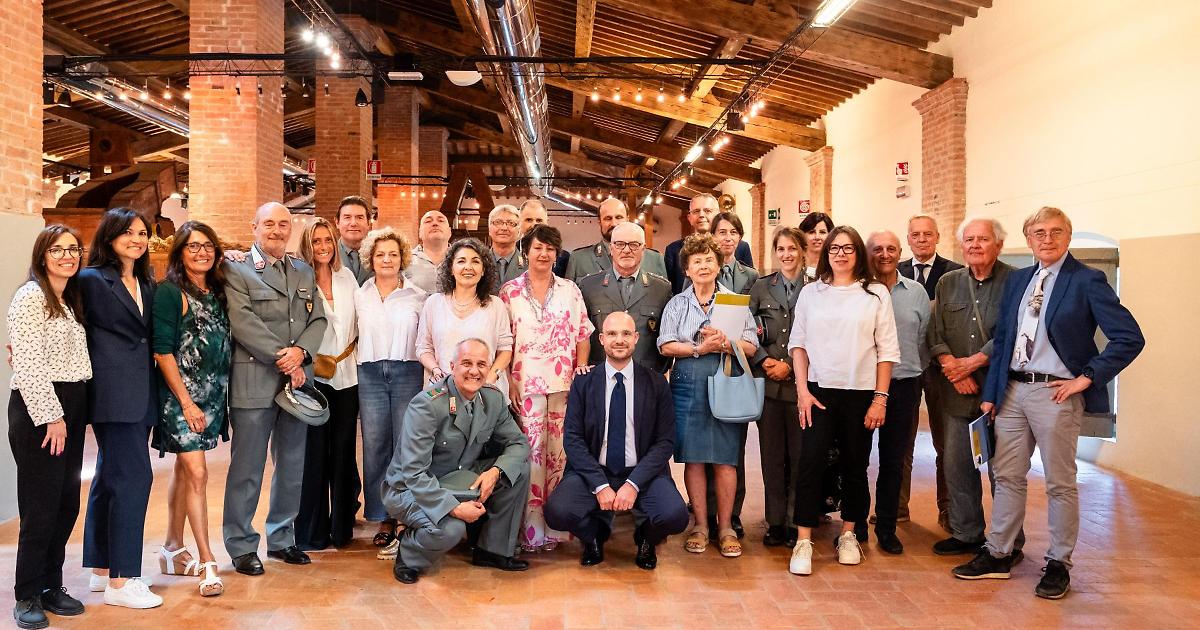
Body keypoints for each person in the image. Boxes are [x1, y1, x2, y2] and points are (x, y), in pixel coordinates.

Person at [953, 207, 1144, 600]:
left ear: (1068, 236)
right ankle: (999, 553)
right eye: (1038, 232)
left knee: (1059, 482)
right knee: (1007, 476)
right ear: (1028, 239)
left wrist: (1086, 378)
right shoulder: (1019, 279)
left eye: (1056, 232)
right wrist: (991, 395)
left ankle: (1058, 563)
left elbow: (1129, 337)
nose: (1047, 239)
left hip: (1055, 393)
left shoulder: (1087, 280)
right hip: (1012, 392)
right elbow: (1004, 340)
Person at [787, 226, 900, 575]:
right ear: (826, 253)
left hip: (861, 392)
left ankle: (849, 534)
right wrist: (802, 391)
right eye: (834, 248)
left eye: (848, 248)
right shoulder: (811, 293)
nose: (840, 254)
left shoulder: (876, 294)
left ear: (858, 253)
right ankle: (803, 540)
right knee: (810, 463)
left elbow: (887, 350)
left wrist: (880, 398)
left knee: (855, 465)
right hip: (818, 391)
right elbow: (798, 344)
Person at [222, 202, 327, 577]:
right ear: (254, 227)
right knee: (247, 468)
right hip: (255, 381)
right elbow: (242, 321)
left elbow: (317, 319)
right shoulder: (236, 269)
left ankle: (282, 538)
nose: (277, 230)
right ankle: (241, 544)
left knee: (292, 466)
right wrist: (286, 358)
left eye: (283, 224)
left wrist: (302, 354)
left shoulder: (302, 270)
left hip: (296, 385)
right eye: (269, 223)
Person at [545, 312, 689, 570]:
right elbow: (574, 439)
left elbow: (665, 442)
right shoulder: (584, 382)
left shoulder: (656, 383)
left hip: (641, 472)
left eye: (625, 334)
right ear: (601, 339)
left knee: (675, 516)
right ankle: (594, 535)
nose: (619, 340)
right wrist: (600, 485)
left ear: (636, 338)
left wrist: (633, 484)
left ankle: (646, 539)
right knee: (557, 512)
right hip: (595, 471)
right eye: (612, 334)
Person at [383, 339, 531, 584]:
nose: (474, 371)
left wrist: (495, 471)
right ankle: (409, 553)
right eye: (466, 363)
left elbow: (519, 443)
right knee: (451, 529)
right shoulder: (428, 404)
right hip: (411, 489)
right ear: (452, 367)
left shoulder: (492, 399)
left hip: (458, 477)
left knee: (517, 468)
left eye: (481, 364)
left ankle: (492, 550)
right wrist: (453, 508)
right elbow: (414, 474)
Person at [7, 225, 91, 628]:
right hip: (41, 411)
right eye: (57, 250)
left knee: (65, 503)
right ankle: (26, 594)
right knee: (40, 505)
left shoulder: (69, 299)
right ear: (42, 255)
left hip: (72, 403)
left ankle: (50, 585)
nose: (67, 256)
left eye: (73, 249)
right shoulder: (30, 297)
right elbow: (28, 363)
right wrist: (52, 417)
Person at [76, 208, 160, 609]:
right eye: (128, 232)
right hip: (112, 393)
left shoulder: (145, 280)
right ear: (109, 237)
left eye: (142, 233)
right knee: (133, 480)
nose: (137, 239)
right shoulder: (92, 279)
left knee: (109, 477)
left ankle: (101, 568)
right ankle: (122, 581)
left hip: (141, 392)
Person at [657, 233, 758, 559]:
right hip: (686, 384)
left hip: (726, 381)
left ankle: (726, 526)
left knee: (726, 458)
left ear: (719, 266)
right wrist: (700, 348)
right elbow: (665, 345)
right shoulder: (677, 303)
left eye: (709, 260)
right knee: (694, 457)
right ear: (687, 269)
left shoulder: (734, 302)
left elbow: (751, 345)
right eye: (696, 261)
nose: (703, 266)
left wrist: (725, 343)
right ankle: (700, 524)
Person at [928, 217, 1022, 559]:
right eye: (969, 240)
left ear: (999, 244)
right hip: (957, 391)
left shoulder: (1016, 281)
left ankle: (1008, 542)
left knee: (1004, 471)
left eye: (983, 239)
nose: (975, 245)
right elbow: (935, 331)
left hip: (1001, 392)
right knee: (957, 465)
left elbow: (1015, 331)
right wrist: (953, 368)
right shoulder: (948, 282)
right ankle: (966, 532)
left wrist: (974, 362)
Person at [500, 224, 594, 551]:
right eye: (538, 247)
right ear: (526, 251)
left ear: (557, 253)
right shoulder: (509, 292)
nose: (544, 254)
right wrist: (510, 380)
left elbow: (583, 334)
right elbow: (504, 341)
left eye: (550, 248)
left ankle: (555, 529)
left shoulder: (570, 290)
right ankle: (530, 532)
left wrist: (580, 370)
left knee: (558, 458)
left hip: (563, 386)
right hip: (525, 386)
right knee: (531, 458)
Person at [151, 222, 230, 598]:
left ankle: (171, 548)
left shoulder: (217, 291)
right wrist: (186, 402)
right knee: (198, 473)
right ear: (179, 252)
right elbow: (162, 351)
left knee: (184, 470)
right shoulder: (170, 292)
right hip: (181, 399)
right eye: (193, 246)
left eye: (208, 245)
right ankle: (207, 559)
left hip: (212, 396)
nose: (202, 252)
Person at [354, 227, 428, 551]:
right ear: (370, 259)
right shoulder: (360, 294)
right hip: (369, 373)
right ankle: (382, 515)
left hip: (407, 372)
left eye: (393, 254)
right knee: (374, 446)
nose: (387, 259)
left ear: (402, 259)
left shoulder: (418, 296)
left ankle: (404, 515)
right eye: (380, 254)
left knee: (405, 446)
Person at [295, 218, 362, 551]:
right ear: (307, 246)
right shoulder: (298, 278)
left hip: (347, 374)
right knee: (315, 453)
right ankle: (313, 530)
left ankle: (341, 527)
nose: (323, 247)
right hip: (312, 376)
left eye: (327, 241)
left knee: (344, 450)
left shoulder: (347, 277)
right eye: (316, 241)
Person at [864, 230, 930, 555]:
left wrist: (911, 371)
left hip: (904, 386)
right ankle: (855, 525)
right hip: (863, 386)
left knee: (894, 460)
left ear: (900, 252)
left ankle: (887, 527)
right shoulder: (858, 290)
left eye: (891, 249)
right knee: (857, 457)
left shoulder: (916, 292)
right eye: (878, 249)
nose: (885, 255)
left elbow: (924, 339)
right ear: (868, 253)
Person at [896, 214, 963, 531]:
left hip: (940, 367)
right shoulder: (895, 271)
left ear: (937, 237)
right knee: (901, 439)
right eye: (915, 234)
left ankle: (948, 508)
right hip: (905, 366)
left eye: (927, 234)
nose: (921, 239)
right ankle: (897, 506)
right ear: (908, 239)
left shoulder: (954, 273)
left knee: (945, 442)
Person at [748, 227, 806, 548]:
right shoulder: (761, 286)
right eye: (781, 249)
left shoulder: (816, 287)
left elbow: (821, 333)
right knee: (772, 458)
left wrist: (791, 366)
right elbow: (747, 328)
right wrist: (764, 359)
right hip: (768, 386)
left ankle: (797, 520)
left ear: (803, 251)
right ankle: (775, 522)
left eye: (792, 248)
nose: (786, 255)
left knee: (800, 457)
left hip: (802, 387)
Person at [417, 237, 514, 400]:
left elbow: (505, 349)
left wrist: (489, 378)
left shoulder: (496, 305)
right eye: (461, 261)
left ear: (483, 270)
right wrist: (436, 371)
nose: (468, 267)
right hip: (442, 392)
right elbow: (423, 347)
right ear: (451, 268)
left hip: (486, 393)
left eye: (475, 261)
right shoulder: (434, 303)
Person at [577, 222, 672, 373]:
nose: (627, 250)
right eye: (620, 244)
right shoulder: (589, 286)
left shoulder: (661, 289)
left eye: (634, 245)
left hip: (646, 376)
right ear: (611, 248)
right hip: (601, 376)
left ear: (643, 249)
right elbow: (581, 335)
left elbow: (665, 337)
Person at [664, 194, 753, 294]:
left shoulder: (740, 247)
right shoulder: (673, 250)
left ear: (718, 214)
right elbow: (669, 290)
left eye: (707, 211)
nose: (701, 215)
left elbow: (750, 283)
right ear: (689, 218)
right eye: (696, 211)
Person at [564, 198, 667, 281]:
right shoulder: (579, 259)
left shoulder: (654, 259)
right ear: (599, 222)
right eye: (608, 218)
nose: (613, 223)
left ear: (627, 219)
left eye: (619, 217)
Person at [518, 199, 570, 277]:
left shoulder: (563, 257)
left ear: (546, 222)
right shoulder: (510, 253)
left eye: (539, 220)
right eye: (529, 220)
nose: (534, 224)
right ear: (519, 221)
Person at [711, 211, 759, 294]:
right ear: (713, 236)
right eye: (722, 232)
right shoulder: (704, 272)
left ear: (739, 237)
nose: (728, 238)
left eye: (733, 232)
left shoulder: (752, 276)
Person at [405, 210, 451, 293]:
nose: (435, 224)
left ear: (449, 232)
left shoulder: (461, 259)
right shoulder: (405, 260)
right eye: (428, 221)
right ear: (420, 232)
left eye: (441, 221)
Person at [336, 195, 374, 285]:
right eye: (347, 217)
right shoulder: (327, 257)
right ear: (337, 222)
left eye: (360, 217)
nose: (353, 223)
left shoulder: (378, 254)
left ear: (368, 223)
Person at [487, 204, 527, 290]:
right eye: (498, 222)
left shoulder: (529, 265)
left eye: (511, 223)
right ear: (489, 229)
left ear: (519, 231)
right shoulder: (480, 262)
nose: (504, 228)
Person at [798, 212, 833, 281]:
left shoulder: (834, 264)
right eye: (812, 232)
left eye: (822, 232)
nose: (817, 237)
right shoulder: (795, 262)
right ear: (802, 234)